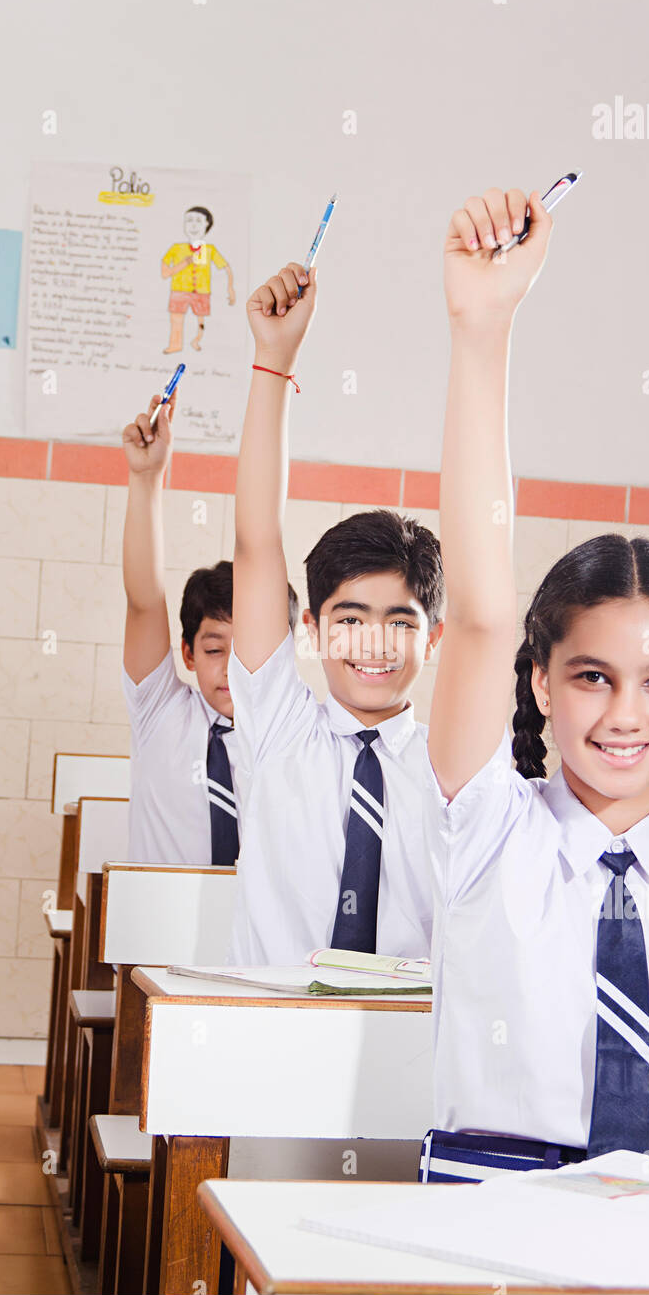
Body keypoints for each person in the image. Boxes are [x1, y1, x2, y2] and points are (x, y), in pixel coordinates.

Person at [424, 184, 649, 1179]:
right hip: (484, 1249)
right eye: (589, 675)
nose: (624, 715)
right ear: (536, 682)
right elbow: (483, 607)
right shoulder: (485, 829)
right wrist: (479, 331)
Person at [228, 260, 444, 964]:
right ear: (313, 632)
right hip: (275, 1040)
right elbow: (257, 542)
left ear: (434, 638)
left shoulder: (454, 769)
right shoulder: (281, 729)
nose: (374, 642)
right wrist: (273, 363)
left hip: (409, 1053)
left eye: (401, 621)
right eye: (350, 619)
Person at [121, 389, 297, 865]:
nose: (231, 671)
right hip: (156, 931)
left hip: (252, 937)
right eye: (216, 650)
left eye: (247, 654)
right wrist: (146, 478)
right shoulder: (160, 711)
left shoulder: (293, 736)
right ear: (188, 653)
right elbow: (143, 601)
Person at [161, 206, 235, 354]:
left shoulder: (209, 250)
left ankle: (197, 340)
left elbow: (226, 268)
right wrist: (184, 264)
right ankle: (175, 344)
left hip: (202, 292)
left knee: (200, 321)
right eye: (189, 221)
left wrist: (230, 289)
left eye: (198, 221)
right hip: (179, 291)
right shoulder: (176, 248)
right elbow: (165, 273)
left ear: (207, 224)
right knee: (176, 320)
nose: (193, 225)